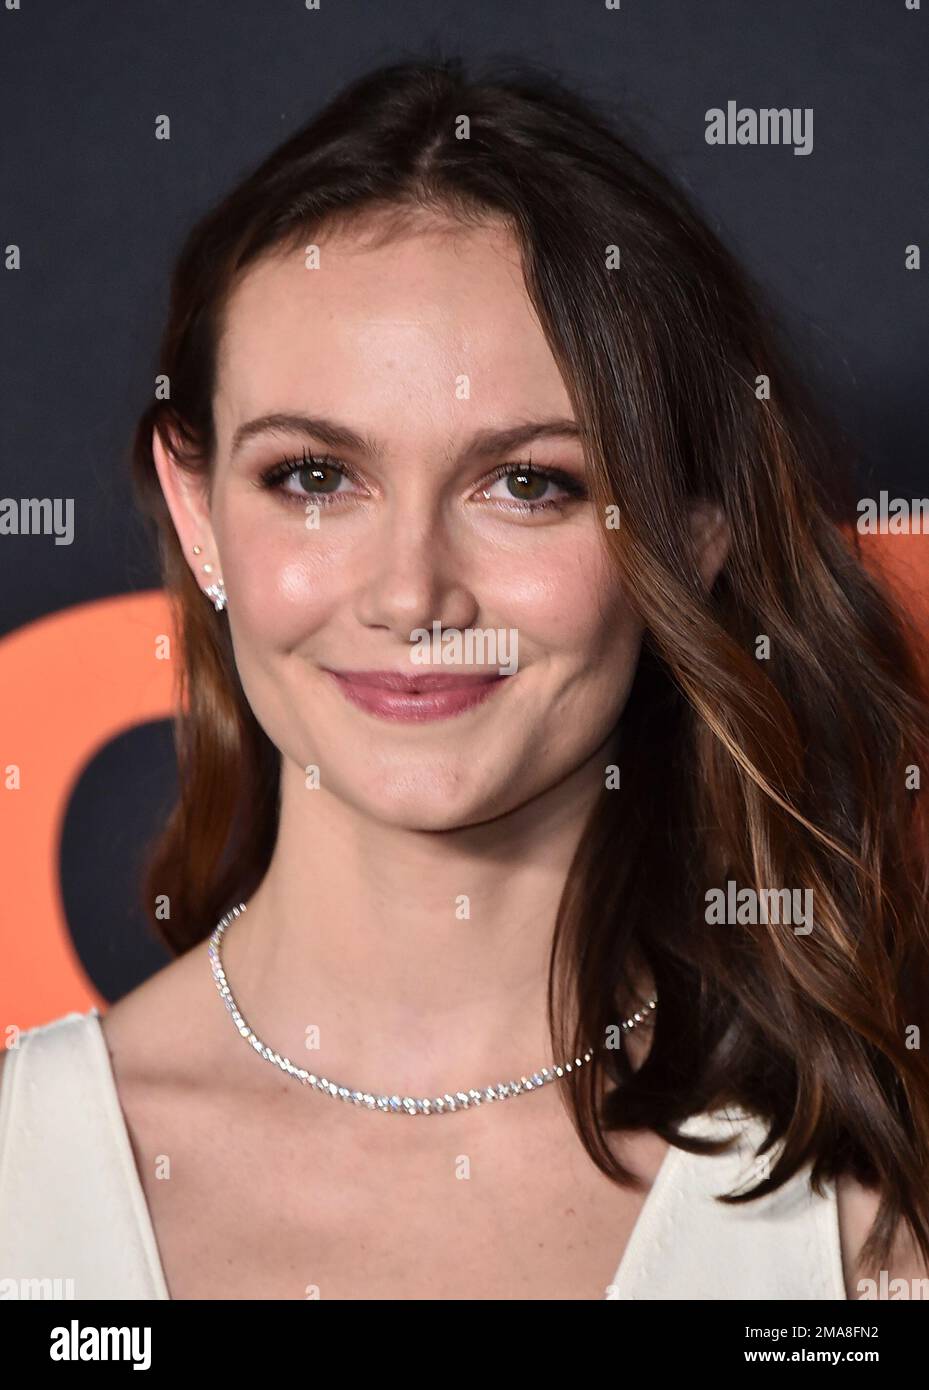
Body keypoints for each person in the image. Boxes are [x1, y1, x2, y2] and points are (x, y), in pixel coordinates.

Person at [2, 56, 928, 1301]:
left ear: (690, 532)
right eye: (314, 478)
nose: (409, 593)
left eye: (528, 481)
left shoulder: (866, 1232)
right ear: (196, 505)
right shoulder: (22, 1166)